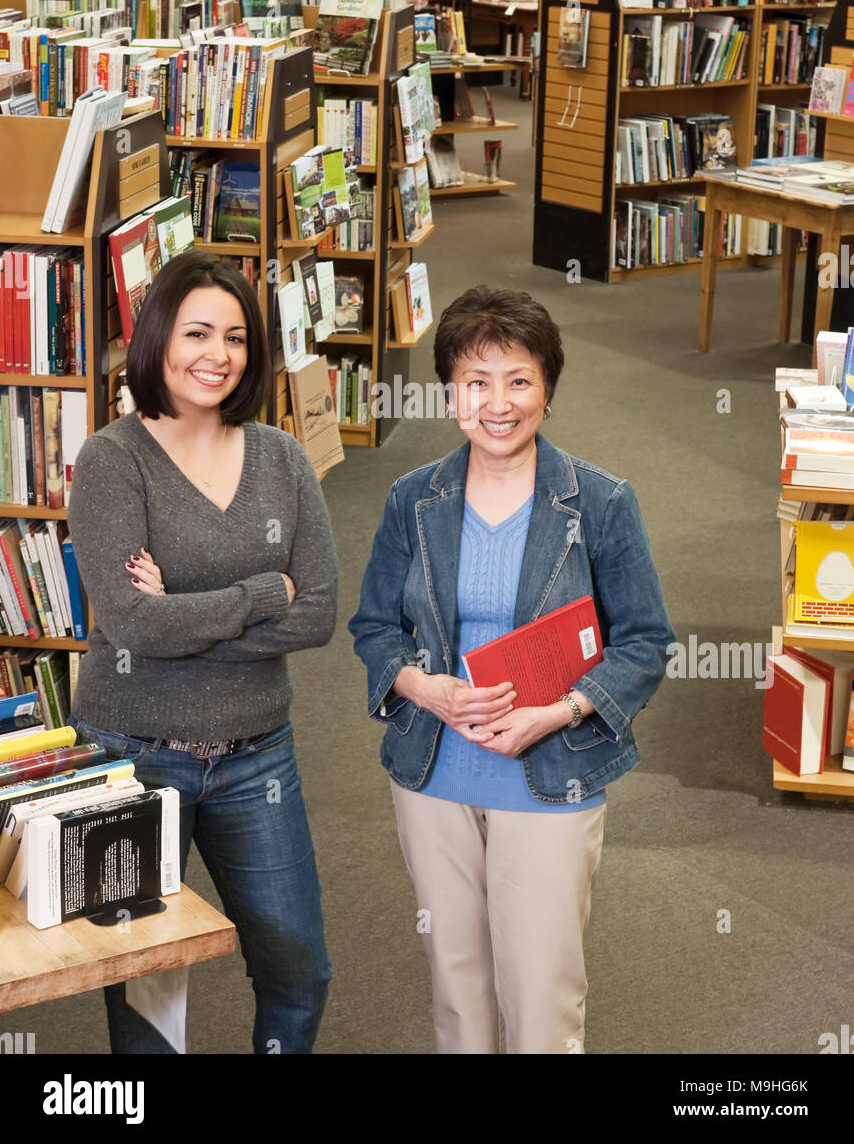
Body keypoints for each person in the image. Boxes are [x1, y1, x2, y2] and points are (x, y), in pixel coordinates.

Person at [349, 286, 673, 1055]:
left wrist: (558, 712)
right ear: (451, 393)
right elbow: (372, 629)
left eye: (518, 380)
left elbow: (645, 641)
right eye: (476, 382)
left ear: (547, 390)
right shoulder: (412, 500)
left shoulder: (598, 502)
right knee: (455, 983)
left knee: (540, 991)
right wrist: (422, 686)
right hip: (432, 772)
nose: (498, 403)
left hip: (551, 771)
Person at [68, 251, 338, 1055]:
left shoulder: (283, 459)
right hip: (131, 754)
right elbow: (130, 626)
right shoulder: (111, 463)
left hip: (259, 756)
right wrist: (263, 594)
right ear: (157, 338)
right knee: (147, 990)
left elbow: (319, 612)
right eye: (195, 333)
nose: (216, 355)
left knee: (300, 970)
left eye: (234, 337)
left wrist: (182, 613)